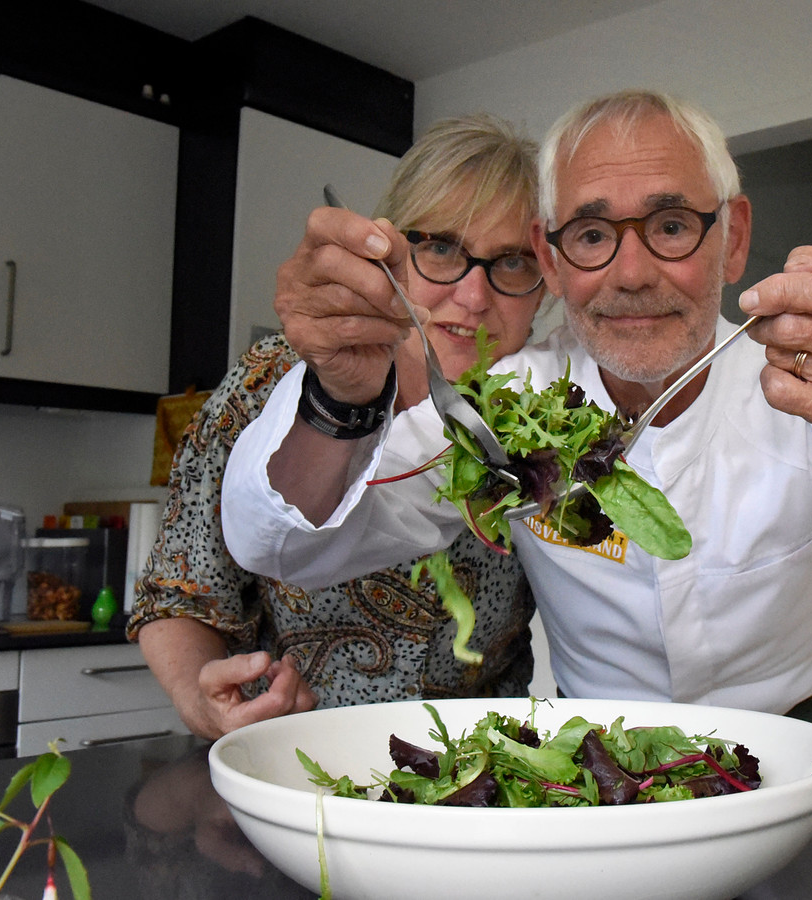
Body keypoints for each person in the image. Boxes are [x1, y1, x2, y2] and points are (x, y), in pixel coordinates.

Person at [220, 90, 812, 820]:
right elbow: (282, 542)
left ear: (734, 235)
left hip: (799, 759)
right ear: (552, 258)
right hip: (591, 774)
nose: (632, 273)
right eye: (593, 235)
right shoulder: (511, 405)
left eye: (672, 224)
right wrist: (339, 393)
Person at [128, 114, 549, 740]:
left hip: (487, 775)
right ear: (386, 254)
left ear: (547, 284)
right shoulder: (272, 382)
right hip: (300, 758)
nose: (473, 295)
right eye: (440, 248)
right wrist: (203, 701)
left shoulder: (551, 413)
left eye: (513, 262)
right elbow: (179, 594)